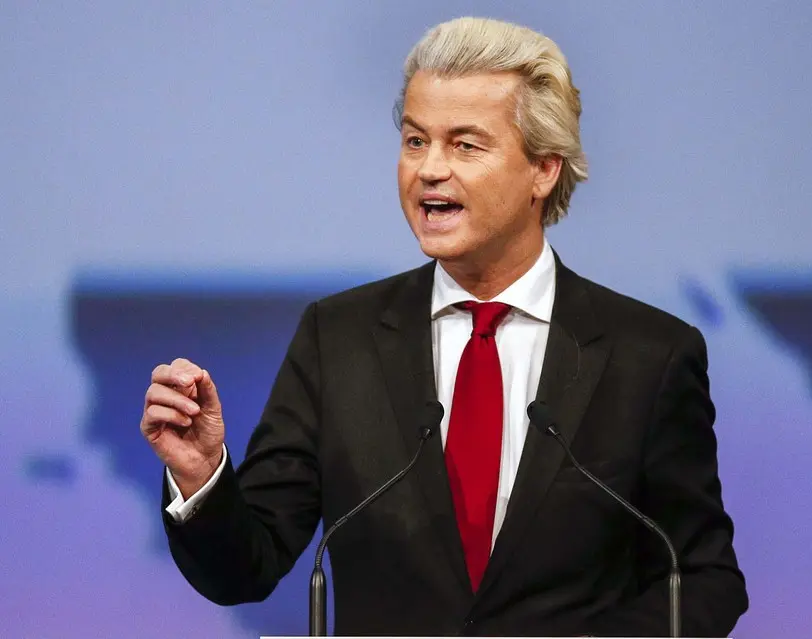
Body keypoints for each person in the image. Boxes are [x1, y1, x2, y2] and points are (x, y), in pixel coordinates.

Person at [141, 17, 747, 637]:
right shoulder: (338, 339)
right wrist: (202, 476)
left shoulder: (648, 356)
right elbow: (246, 567)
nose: (429, 169)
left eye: (465, 145)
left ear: (544, 169)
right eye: (415, 140)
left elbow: (704, 577)